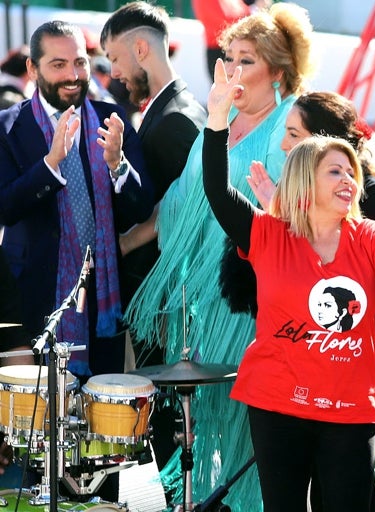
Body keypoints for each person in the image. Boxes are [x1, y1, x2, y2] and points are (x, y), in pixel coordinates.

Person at [202, 59, 375, 512]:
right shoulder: (269, 233)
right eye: (335, 171)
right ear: (306, 180)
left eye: (351, 171)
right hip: (277, 406)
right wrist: (217, 119)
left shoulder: (368, 236)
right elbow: (217, 191)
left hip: (348, 411)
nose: (349, 180)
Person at [125, 4, 314, 510]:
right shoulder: (220, 120)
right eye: (228, 58)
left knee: (251, 431)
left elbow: (297, 214)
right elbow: (180, 202)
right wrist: (125, 242)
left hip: (257, 302)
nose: (232, 71)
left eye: (246, 60)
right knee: (211, 427)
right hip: (207, 304)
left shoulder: (291, 124)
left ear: (278, 72)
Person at [0, 21, 152, 376]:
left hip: (104, 305)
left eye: (80, 63)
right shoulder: (8, 127)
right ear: (32, 69)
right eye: (58, 65)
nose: (73, 75)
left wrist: (117, 165)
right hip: (34, 302)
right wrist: (50, 165)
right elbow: (5, 207)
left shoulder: (112, 119)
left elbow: (142, 206)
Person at [100, 1, 207, 365]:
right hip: (156, 296)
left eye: (115, 58)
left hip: (160, 299)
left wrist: (124, 244)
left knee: (155, 392)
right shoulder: (180, 107)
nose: (114, 72)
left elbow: (181, 207)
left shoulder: (176, 119)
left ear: (141, 48)